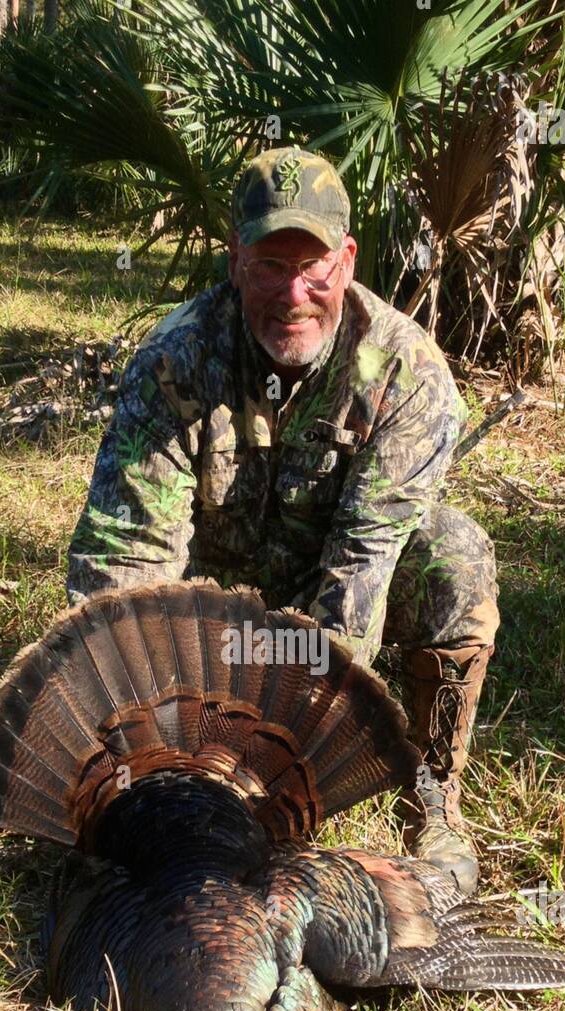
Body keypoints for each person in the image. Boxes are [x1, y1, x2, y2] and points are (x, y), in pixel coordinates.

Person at [66, 145, 499, 893]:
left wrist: (280, 767)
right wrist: (149, 754)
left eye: (313, 267)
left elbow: (359, 573)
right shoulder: (175, 361)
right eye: (269, 265)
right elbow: (125, 559)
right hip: (206, 620)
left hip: (327, 603)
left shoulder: (406, 373)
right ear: (234, 260)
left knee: (454, 557)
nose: (292, 293)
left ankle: (430, 790)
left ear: (348, 261)